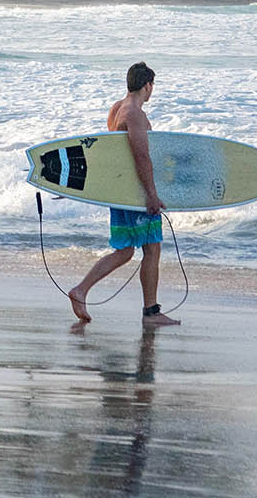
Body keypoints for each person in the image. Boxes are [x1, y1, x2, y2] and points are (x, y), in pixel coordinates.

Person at [67, 62, 179, 328]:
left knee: (126, 251)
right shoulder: (135, 115)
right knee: (151, 249)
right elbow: (141, 157)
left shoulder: (116, 109)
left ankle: (81, 290)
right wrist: (152, 194)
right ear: (147, 85)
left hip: (120, 192)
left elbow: (116, 155)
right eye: (153, 86)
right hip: (134, 194)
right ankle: (151, 313)